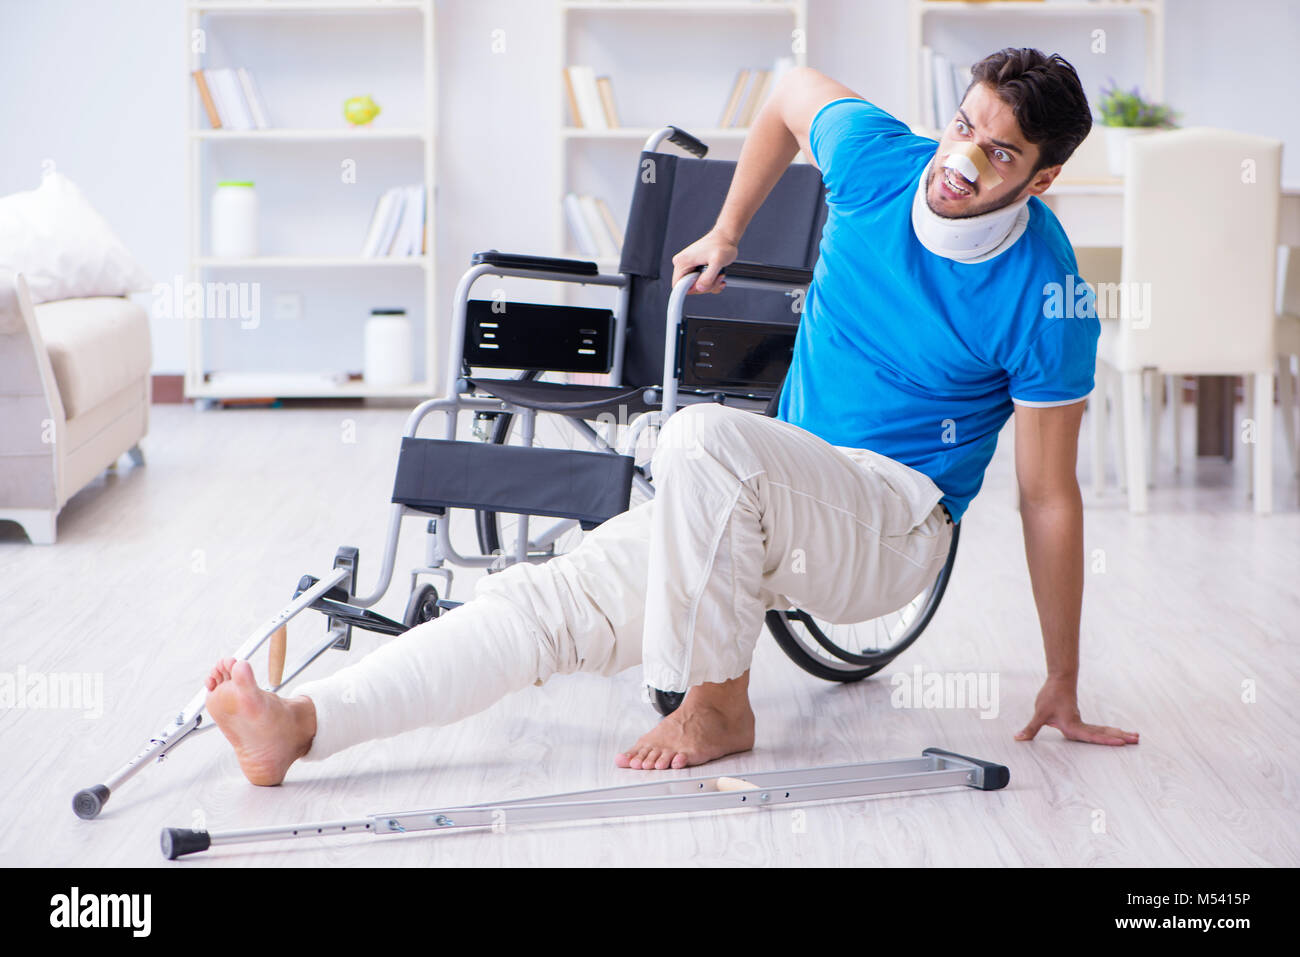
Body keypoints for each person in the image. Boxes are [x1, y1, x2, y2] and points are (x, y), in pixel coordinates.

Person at [204, 47, 1138, 786]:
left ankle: (720, 703)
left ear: (1042, 179)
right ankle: (303, 727)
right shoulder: (881, 160)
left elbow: (1048, 496)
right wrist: (729, 226)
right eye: (965, 125)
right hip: (770, 489)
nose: (961, 163)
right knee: (546, 601)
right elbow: (784, 90)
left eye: (1001, 152)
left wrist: (1061, 676)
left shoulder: (1048, 294)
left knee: (698, 436)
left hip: (893, 525)